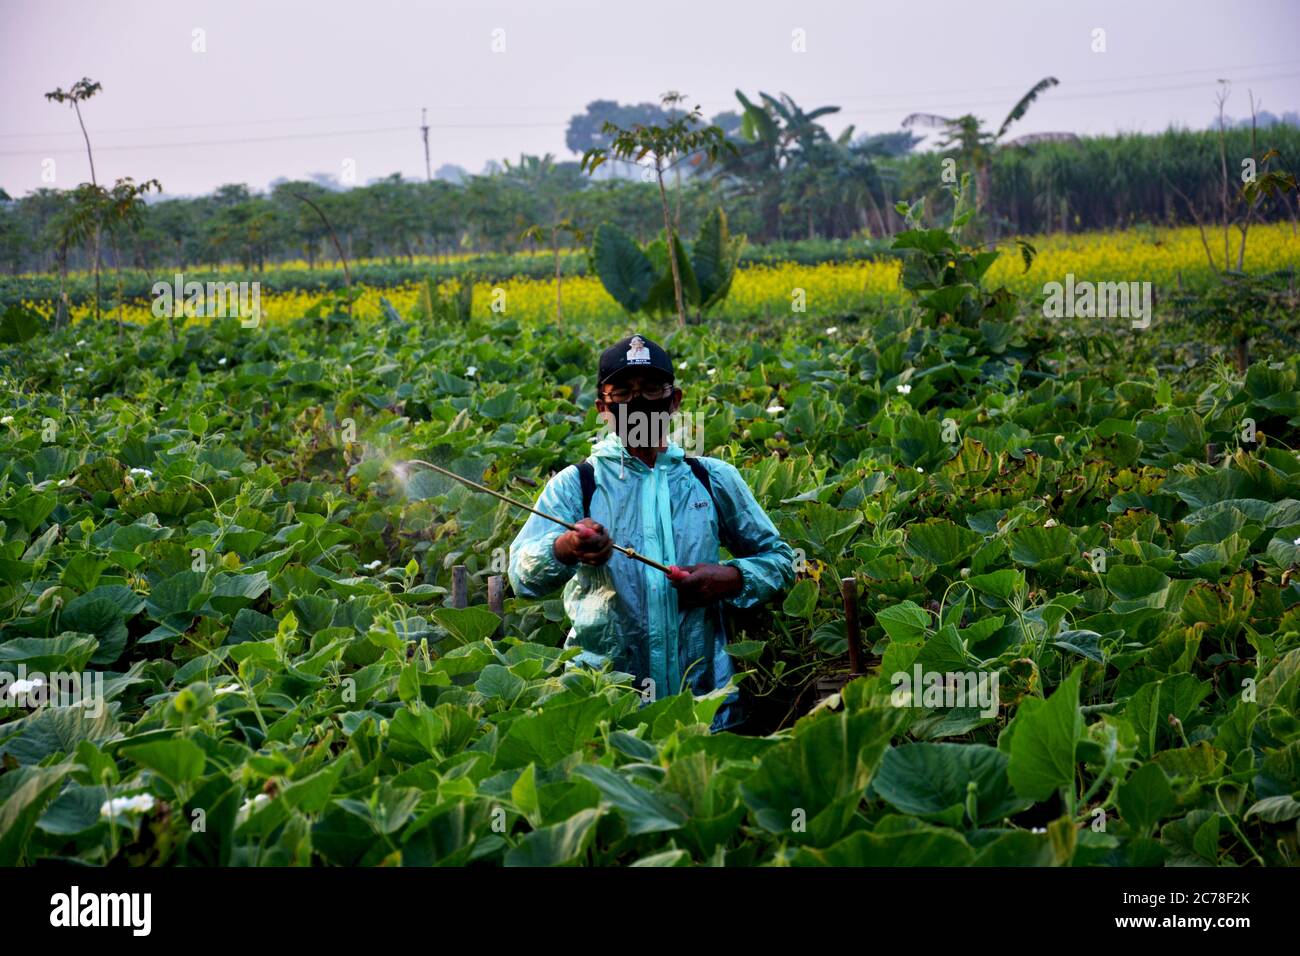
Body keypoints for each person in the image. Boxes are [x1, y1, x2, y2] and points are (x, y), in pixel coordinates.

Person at [507, 333, 796, 732]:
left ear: (674, 401)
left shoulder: (711, 479)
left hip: (705, 707)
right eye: (623, 392)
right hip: (605, 707)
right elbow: (521, 577)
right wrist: (567, 547)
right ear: (602, 409)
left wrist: (730, 578)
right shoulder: (577, 484)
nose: (637, 403)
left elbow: (780, 562)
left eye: (650, 390)